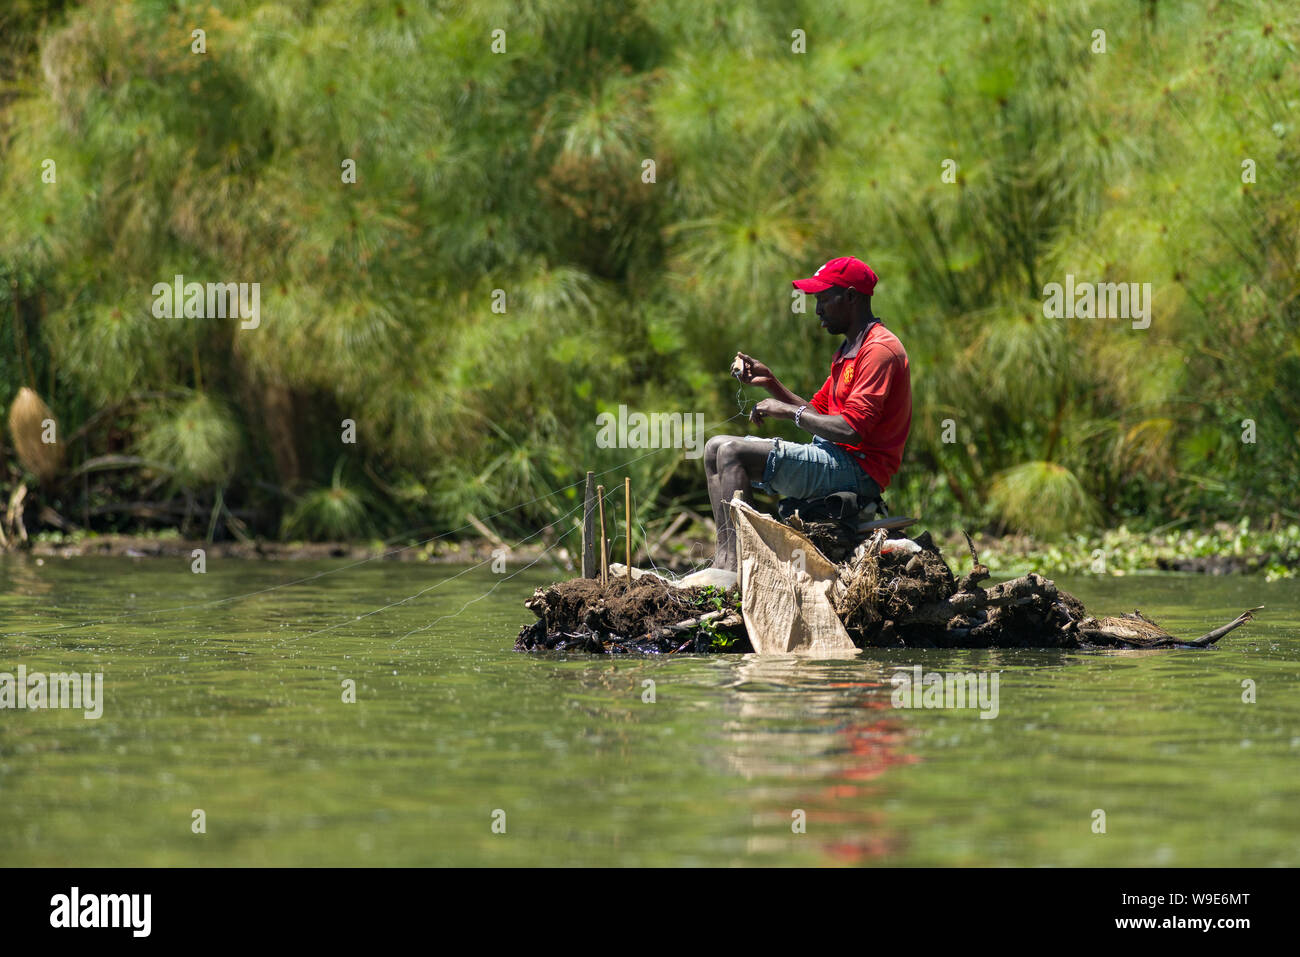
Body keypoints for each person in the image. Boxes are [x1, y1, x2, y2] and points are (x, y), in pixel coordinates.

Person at [703, 256, 911, 571]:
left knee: (733, 452)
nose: (817, 310)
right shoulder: (848, 351)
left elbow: (851, 430)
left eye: (824, 300)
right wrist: (770, 382)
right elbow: (816, 414)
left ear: (851, 297)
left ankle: (736, 568)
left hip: (859, 470)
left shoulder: (878, 351)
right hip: (834, 456)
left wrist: (787, 412)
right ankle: (724, 559)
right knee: (714, 447)